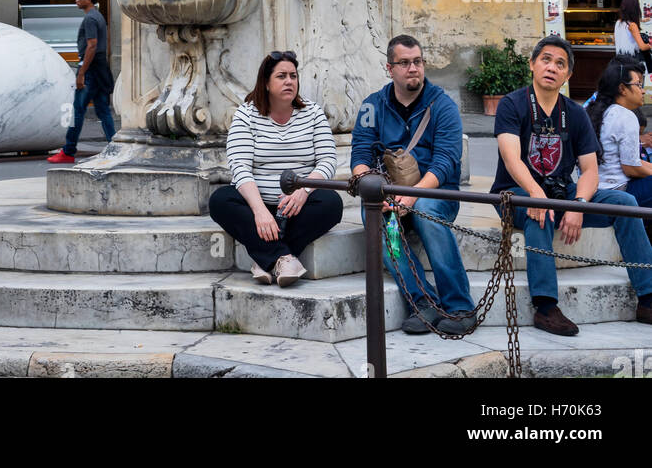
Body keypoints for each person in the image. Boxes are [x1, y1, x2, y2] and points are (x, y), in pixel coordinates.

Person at [492, 35, 652, 336]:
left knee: (626, 205)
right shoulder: (512, 105)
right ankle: (545, 306)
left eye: (560, 64)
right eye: (546, 60)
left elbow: (590, 170)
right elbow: (512, 159)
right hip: (516, 193)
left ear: (568, 75)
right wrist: (538, 196)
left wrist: (578, 203)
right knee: (540, 214)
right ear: (533, 65)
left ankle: (648, 298)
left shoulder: (575, 113)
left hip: (563, 193)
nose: (552, 67)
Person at [350, 33, 475, 334]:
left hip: (435, 192)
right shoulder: (372, 106)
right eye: (404, 63)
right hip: (389, 196)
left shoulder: (443, 106)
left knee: (426, 212)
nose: (413, 68)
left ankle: (460, 305)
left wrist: (411, 198)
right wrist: (373, 189)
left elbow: (446, 162)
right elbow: (360, 154)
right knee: (379, 221)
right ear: (389, 68)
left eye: (417, 61)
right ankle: (422, 302)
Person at [209, 51, 342, 287]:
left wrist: (304, 191)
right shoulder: (246, 114)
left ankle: (266, 259)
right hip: (258, 204)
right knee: (220, 201)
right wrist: (260, 211)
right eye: (281, 76)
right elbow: (240, 167)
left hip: (297, 205)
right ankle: (282, 258)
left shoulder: (312, 113)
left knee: (332, 204)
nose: (289, 81)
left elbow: (328, 161)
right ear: (267, 83)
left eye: (293, 75)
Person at [48, 0, 116, 163]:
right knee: (103, 110)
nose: (76, 0)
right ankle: (115, 147)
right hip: (99, 68)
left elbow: (92, 46)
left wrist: (81, 73)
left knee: (77, 110)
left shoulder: (90, 19)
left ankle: (68, 151)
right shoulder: (97, 16)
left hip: (91, 70)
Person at [588, 55, 652, 210]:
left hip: (597, 190)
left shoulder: (601, 110)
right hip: (618, 193)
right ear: (623, 89)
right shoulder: (625, 116)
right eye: (638, 84)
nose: (642, 91)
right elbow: (631, 167)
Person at [614, 0, 652, 67]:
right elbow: (642, 47)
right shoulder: (632, 25)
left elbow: (617, 40)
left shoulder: (618, 23)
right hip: (632, 62)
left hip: (620, 61)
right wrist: (650, 45)